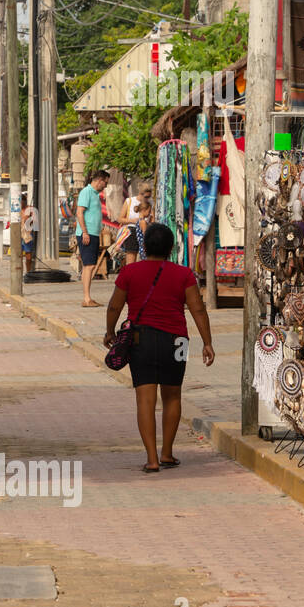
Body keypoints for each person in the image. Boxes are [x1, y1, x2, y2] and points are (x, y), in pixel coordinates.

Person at [103, 223, 215, 473]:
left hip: (141, 339)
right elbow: (198, 309)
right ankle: (167, 453)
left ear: (144, 246)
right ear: (170, 248)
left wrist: (110, 332)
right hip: (177, 341)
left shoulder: (129, 273)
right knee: (173, 395)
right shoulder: (184, 274)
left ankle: (152, 458)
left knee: (145, 399)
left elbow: (114, 306)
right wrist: (207, 342)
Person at [77, 169, 110, 308]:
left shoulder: (96, 194)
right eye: (105, 183)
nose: (106, 186)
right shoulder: (86, 192)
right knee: (89, 266)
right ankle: (86, 298)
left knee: (89, 265)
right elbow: (79, 213)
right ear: (99, 180)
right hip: (87, 234)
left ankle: (88, 297)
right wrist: (85, 232)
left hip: (93, 234)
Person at [118, 185, 153, 266]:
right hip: (132, 231)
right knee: (131, 260)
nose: (148, 199)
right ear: (140, 194)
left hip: (144, 230)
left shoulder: (149, 203)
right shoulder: (129, 201)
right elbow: (120, 219)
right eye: (147, 196)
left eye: (149, 197)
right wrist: (132, 220)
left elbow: (152, 219)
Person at [20, 194, 38, 274]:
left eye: (22, 201)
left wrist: (30, 219)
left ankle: (28, 272)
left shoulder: (30, 209)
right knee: (18, 256)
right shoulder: (16, 210)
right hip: (18, 235)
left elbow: (36, 221)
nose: (21, 203)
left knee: (28, 256)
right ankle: (19, 273)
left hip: (27, 235)